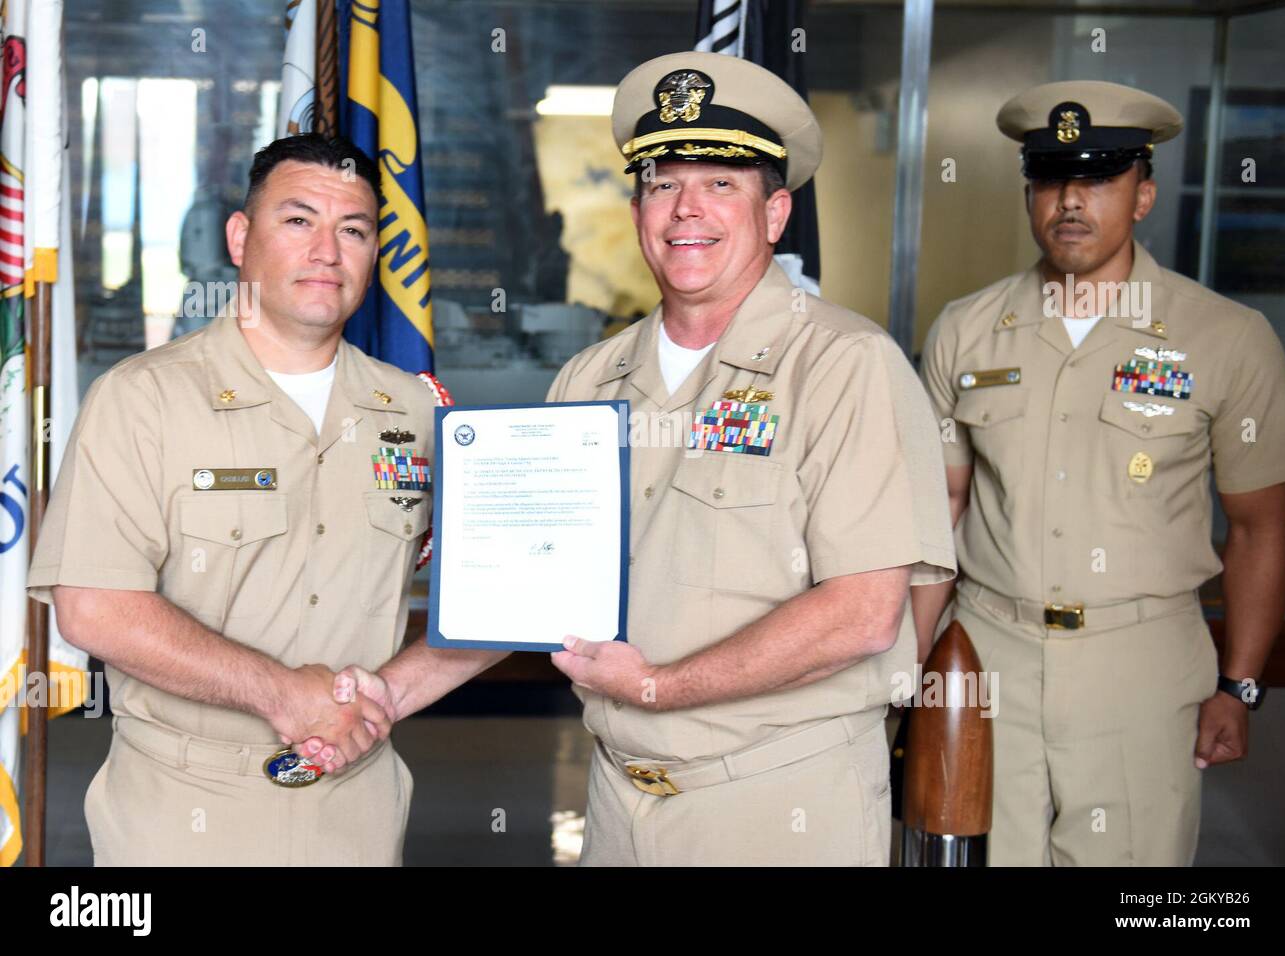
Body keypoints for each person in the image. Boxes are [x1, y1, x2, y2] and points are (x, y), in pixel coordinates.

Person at [320, 51, 956, 866]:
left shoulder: (845, 365)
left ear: (775, 213)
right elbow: (527, 591)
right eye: (662, 185)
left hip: (778, 803)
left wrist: (661, 687)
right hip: (619, 803)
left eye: (720, 183)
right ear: (636, 211)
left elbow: (861, 615)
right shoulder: (591, 379)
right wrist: (386, 695)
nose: (687, 209)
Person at [27, 133, 447, 865]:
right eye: (298, 220)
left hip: (358, 805)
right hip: (182, 807)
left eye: (353, 230)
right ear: (239, 237)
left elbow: (505, 596)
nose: (327, 251)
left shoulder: (417, 412)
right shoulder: (142, 399)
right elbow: (93, 607)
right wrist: (284, 694)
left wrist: (387, 696)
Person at [912, 81, 1285, 866]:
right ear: (1029, 194)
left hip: (1141, 667)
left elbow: (1260, 529)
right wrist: (910, 671)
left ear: (1143, 194)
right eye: (1051, 179)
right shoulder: (966, 329)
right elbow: (939, 510)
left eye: (1097, 179)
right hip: (988, 654)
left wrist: (1240, 685)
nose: (1070, 201)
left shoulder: (1225, 337)